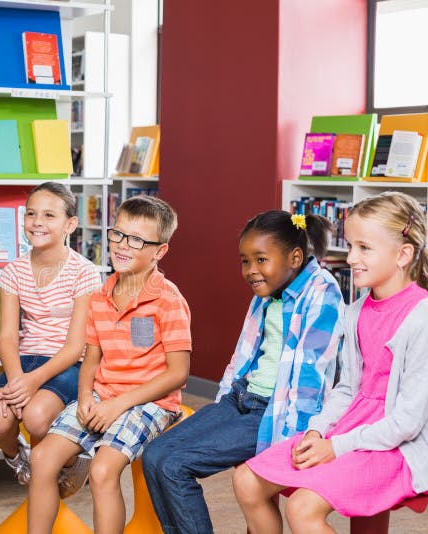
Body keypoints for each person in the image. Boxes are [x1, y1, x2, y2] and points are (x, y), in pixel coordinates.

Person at [234, 192, 428, 533]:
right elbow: (348, 388)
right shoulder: (354, 313)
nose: (351, 257)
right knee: (247, 479)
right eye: (350, 246)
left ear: (404, 254)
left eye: (363, 248)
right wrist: (317, 430)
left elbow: (407, 423)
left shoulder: (421, 317)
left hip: (398, 443)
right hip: (349, 428)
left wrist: (335, 447)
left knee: (302, 507)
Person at [142, 210, 344, 534]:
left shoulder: (322, 292)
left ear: (294, 257)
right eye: (245, 261)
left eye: (261, 260)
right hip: (241, 399)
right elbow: (244, 352)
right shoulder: (268, 291)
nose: (251, 271)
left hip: (273, 413)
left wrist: (283, 446)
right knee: (154, 455)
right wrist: (222, 404)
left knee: (175, 465)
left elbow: (310, 378)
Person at [28, 195, 192, 534]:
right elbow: (92, 357)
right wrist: (86, 396)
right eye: (117, 234)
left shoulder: (168, 301)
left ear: (159, 251)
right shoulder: (101, 296)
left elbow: (178, 374)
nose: (121, 245)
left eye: (136, 240)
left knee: (103, 470)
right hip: (103, 395)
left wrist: (118, 404)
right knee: (42, 459)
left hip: (150, 402)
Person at [0, 182, 101, 492]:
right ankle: (18, 457)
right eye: (31, 213)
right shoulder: (13, 270)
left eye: (49, 215)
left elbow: (76, 346)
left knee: (35, 417)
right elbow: (6, 336)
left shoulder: (84, 272)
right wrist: (18, 379)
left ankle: (73, 462)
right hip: (24, 360)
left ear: (70, 225)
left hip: (67, 363)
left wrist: (32, 383)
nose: (37, 222)